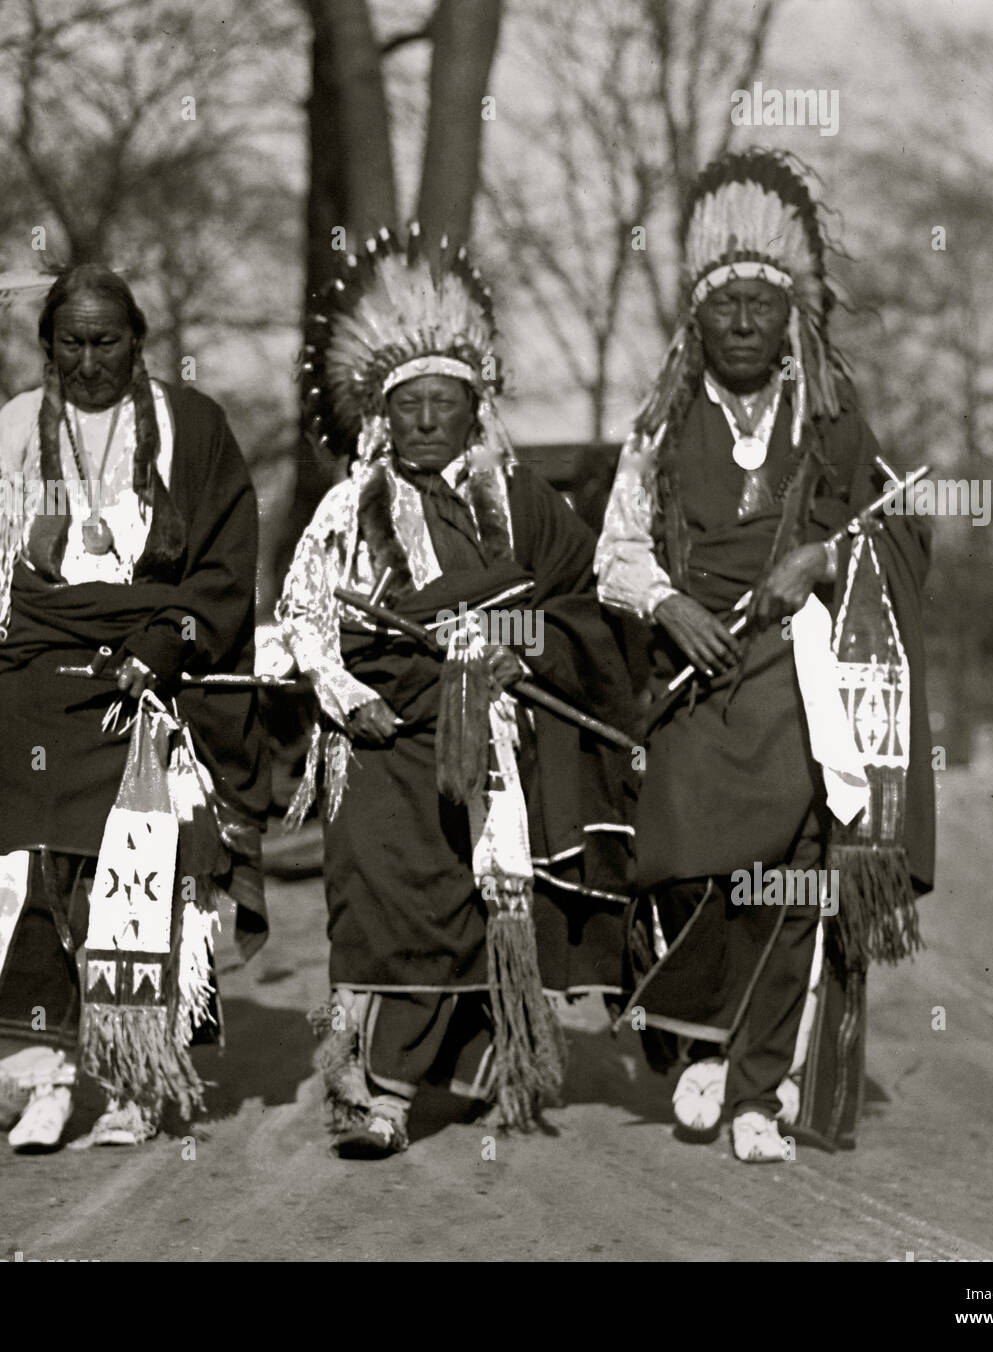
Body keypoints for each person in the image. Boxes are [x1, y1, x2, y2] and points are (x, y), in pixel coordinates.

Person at [596, 149, 934, 1161]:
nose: (742, 319)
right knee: (688, 868)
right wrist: (664, 602)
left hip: (801, 679)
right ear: (692, 320)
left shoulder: (833, 425)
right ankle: (694, 1031)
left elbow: (900, 531)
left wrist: (824, 558)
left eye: (760, 300)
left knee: (789, 880)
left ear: (789, 314)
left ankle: (755, 1088)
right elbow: (614, 551)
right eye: (722, 303)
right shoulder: (658, 426)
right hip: (696, 683)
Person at [276, 225, 634, 1158]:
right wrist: (347, 693)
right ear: (382, 418)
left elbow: (580, 598)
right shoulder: (345, 509)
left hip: (483, 738)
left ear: (476, 411)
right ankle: (365, 1089)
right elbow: (301, 618)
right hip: (376, 740)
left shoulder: (515, 501)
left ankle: (433, 1080)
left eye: (448, 404)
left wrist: (514, 648)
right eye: (411, 407)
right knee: (381, 908)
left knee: (470, 901)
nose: (429, 422)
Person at [0, 264, 269, 1151]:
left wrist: (169, 642)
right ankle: (44, 1077)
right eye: (68, 342)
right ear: (47, 346)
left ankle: (133, 1081)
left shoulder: (192, 428)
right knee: (33, 881)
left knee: (132, 882)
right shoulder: (13, 427)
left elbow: (226, 569)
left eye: (105, 341)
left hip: (141, 686)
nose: (87, 361)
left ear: (139, 340)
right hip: (37, 685)